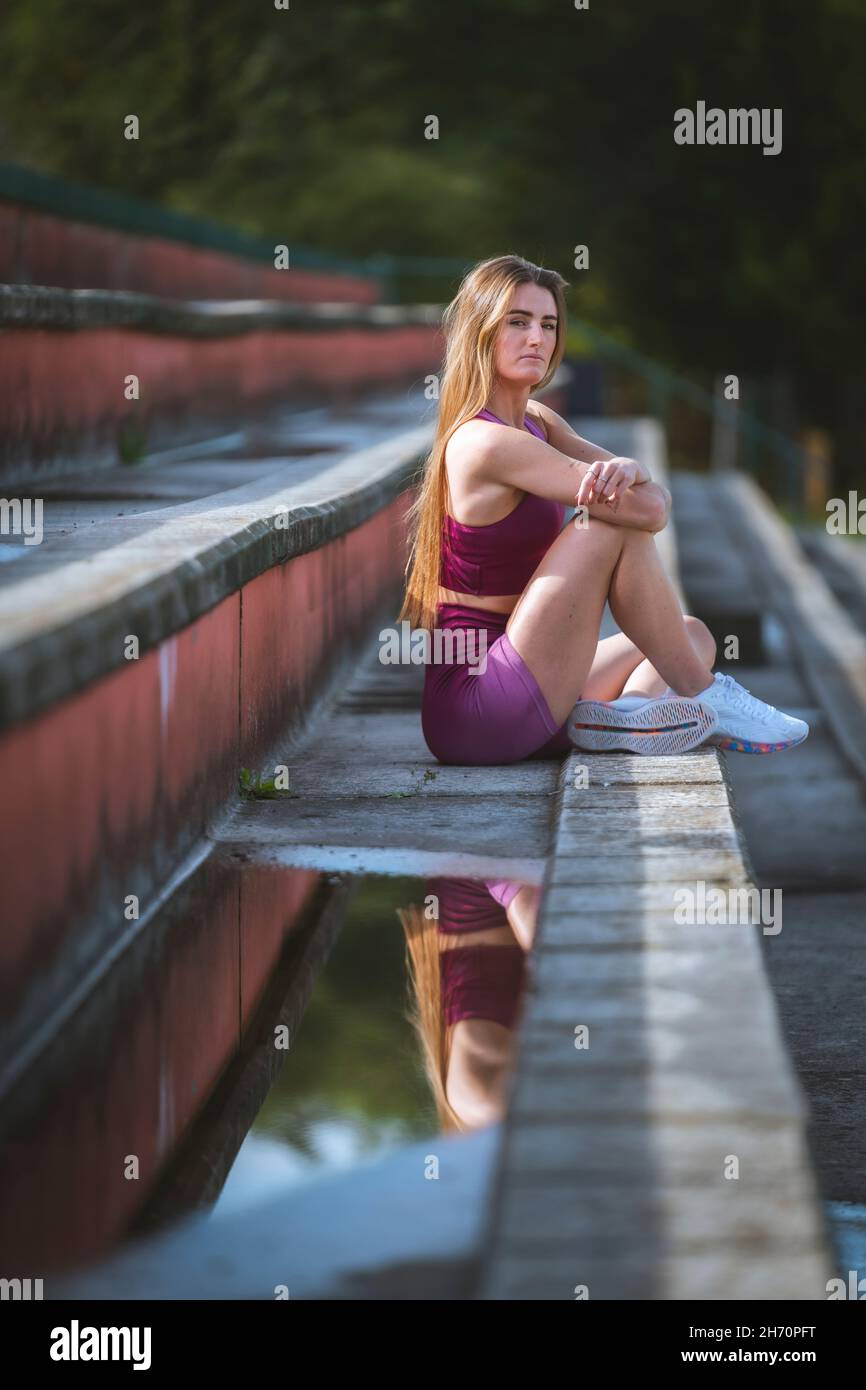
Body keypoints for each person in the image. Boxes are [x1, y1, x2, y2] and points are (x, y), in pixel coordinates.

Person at [397, 253, 809, 764]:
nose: (538, 339)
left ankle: (628, 713)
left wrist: (632, 468)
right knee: (602, 526)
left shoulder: (539, 421)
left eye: (548, 324)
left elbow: (654, 503)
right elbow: (646, 514)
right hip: (479, 705)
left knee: (692, 636)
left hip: (531, 672)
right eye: (518, 322)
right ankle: (705, 695)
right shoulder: (484, 443)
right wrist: (634, 483)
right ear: (481, 330)